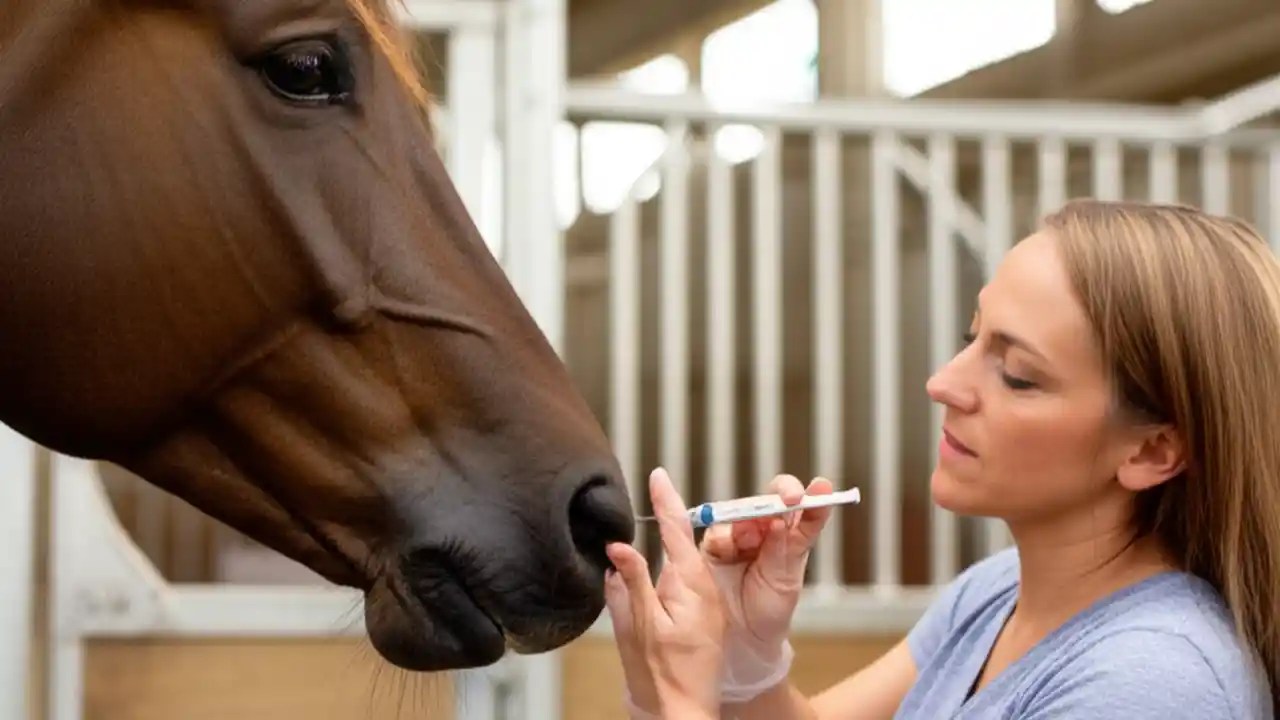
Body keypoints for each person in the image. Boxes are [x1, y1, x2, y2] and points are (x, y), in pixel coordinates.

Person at [604, 199, 1280, 719]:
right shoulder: (996, 594)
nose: (943, 384)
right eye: (971, 336)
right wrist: (746, 666)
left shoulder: (1148, 682)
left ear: (1153, 449)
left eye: (1017, 373)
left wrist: (686, 701)